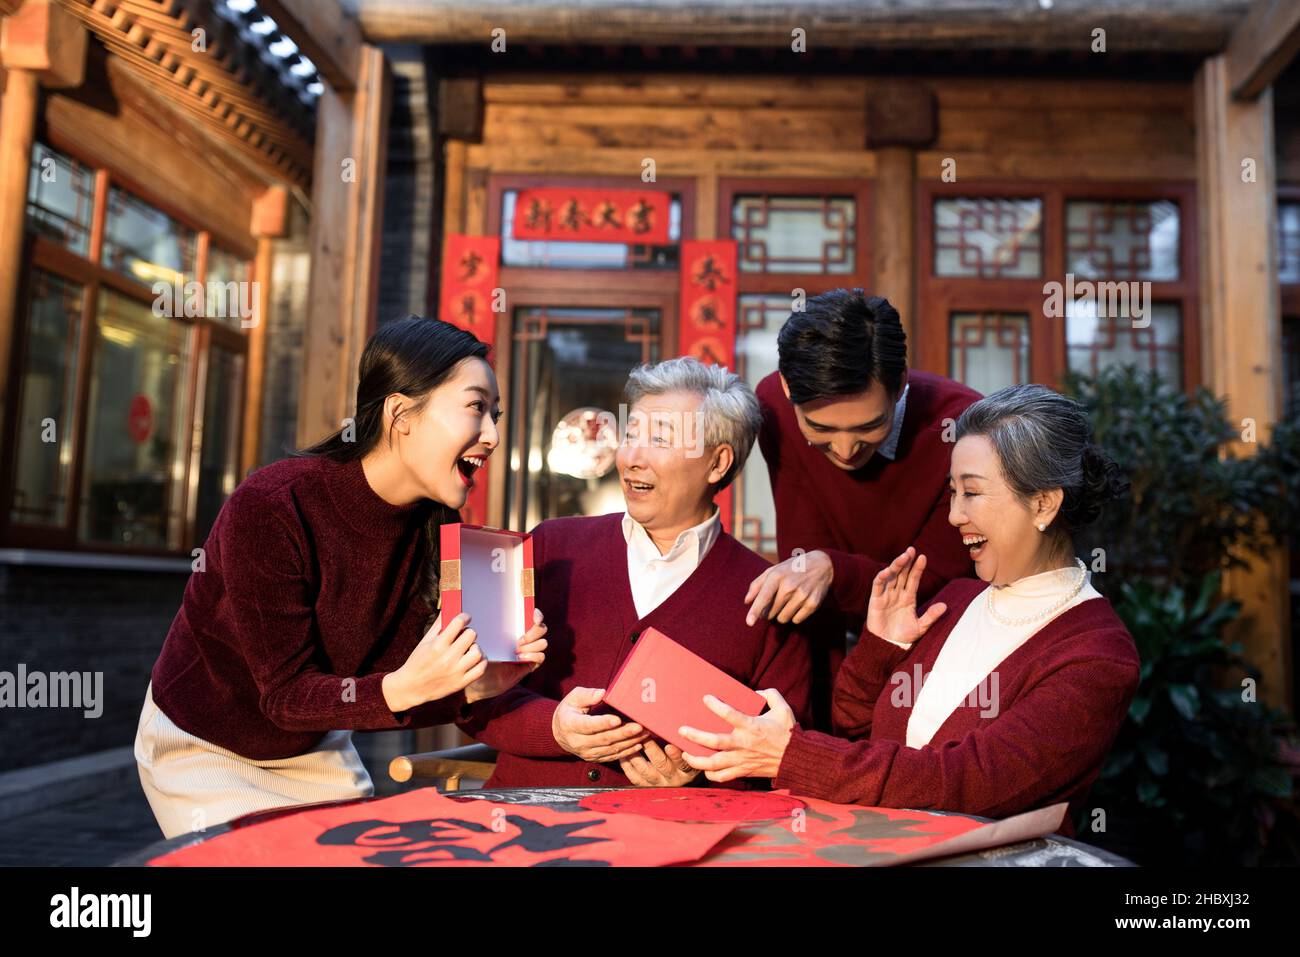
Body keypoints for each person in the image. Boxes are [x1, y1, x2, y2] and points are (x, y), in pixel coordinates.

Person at [134, 316, 548, 838]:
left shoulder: (437, 531)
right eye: (475, 408)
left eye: (496, 415)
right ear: (401, 414)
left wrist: (476, 685)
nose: (491, 435)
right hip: (205, 743)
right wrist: (406, 686)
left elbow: (391, 687)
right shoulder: (273, 505)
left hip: (312, 747)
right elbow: (285, 696)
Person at [679, 384, 1140, 838]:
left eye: (973, 494)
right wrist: (882, 647)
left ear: (1043, 503)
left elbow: (970, 785)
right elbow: (854, 732)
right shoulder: (955, 600)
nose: (955, 515)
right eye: (953, 492)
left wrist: (792, 756)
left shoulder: (1097, 653)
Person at [457, 357, 812, 788]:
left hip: (670, 844)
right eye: (630, 435)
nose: (632, 458)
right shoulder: (550, 545)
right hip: (524, 827)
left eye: (659, 440)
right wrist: (553, 728)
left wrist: (698, 778)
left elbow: (787, 761)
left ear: (718, 464)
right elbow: (470, 700)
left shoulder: (766, 594)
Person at [745, 289, 980, 725]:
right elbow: (806, 570)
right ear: (785, 387)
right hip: (843, 648)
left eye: (871, 426)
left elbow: (936, 588)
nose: (845, 449)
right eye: (820, 428)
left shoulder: (963, 426)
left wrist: (834, 569)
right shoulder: (774, 408)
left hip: (941, 649)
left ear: (901, 381)